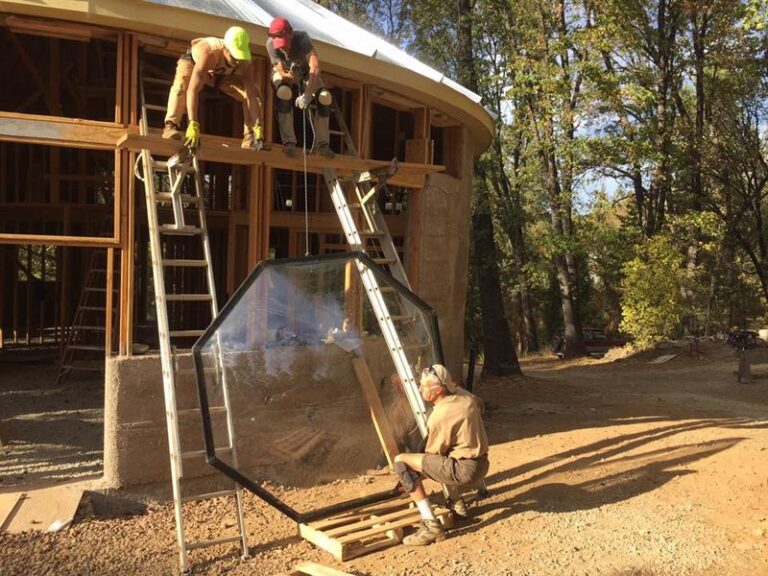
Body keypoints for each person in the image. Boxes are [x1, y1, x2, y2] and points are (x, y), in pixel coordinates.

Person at [393, 364, 489, 546]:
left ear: (438, 390)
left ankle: (431, 526)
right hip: (482, 463)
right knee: (446, 455)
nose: (420, 389)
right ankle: (456, 503)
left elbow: (432, 454)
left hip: (465, 471)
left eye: (424, 386)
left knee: (401, 463)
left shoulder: (440, 415)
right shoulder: (465, 396)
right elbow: (478, 402)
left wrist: (409, 477)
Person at [163, 26, 268, 151]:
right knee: (181, 85)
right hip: (194, 64)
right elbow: (193, 90)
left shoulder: (244, 62)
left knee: (255, 94)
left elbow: (251, 95)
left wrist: (258, 125)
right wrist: (193, 124)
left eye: (239, 58)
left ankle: (249, 137)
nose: (237, 62)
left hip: (221, 75)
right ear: (225, 49)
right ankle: (170, 126)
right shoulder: (210, 52)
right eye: (234, 57)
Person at [266, 17, 335, 159]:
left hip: (305, 73)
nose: (283, 47)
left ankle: (322, 145)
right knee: (284, 92)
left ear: (290, 33)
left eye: (284, 43)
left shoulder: (302, 39)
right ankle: (289, 142)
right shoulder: (270, 44)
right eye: (279, 45)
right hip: (285, 73)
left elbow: (315, 68)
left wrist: (307, 95)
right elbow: (280, 71)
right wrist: (290, 77)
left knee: (325, 98)